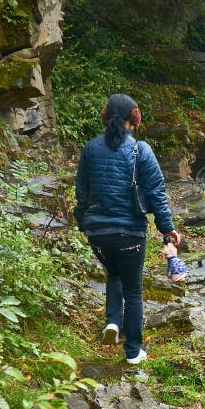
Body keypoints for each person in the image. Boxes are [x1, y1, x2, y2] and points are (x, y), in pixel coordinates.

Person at [73, 94, 180, 364]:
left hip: (97, 233)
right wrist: (168, 231)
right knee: (133, 289)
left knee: (114, 273)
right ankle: (133, 351)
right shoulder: (140, 150)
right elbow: (156, 194)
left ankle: (113, 324)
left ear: (105, 115)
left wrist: (83, 224)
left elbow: (82, 195)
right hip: (129, 233)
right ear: (134, 117)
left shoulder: (90, 149)